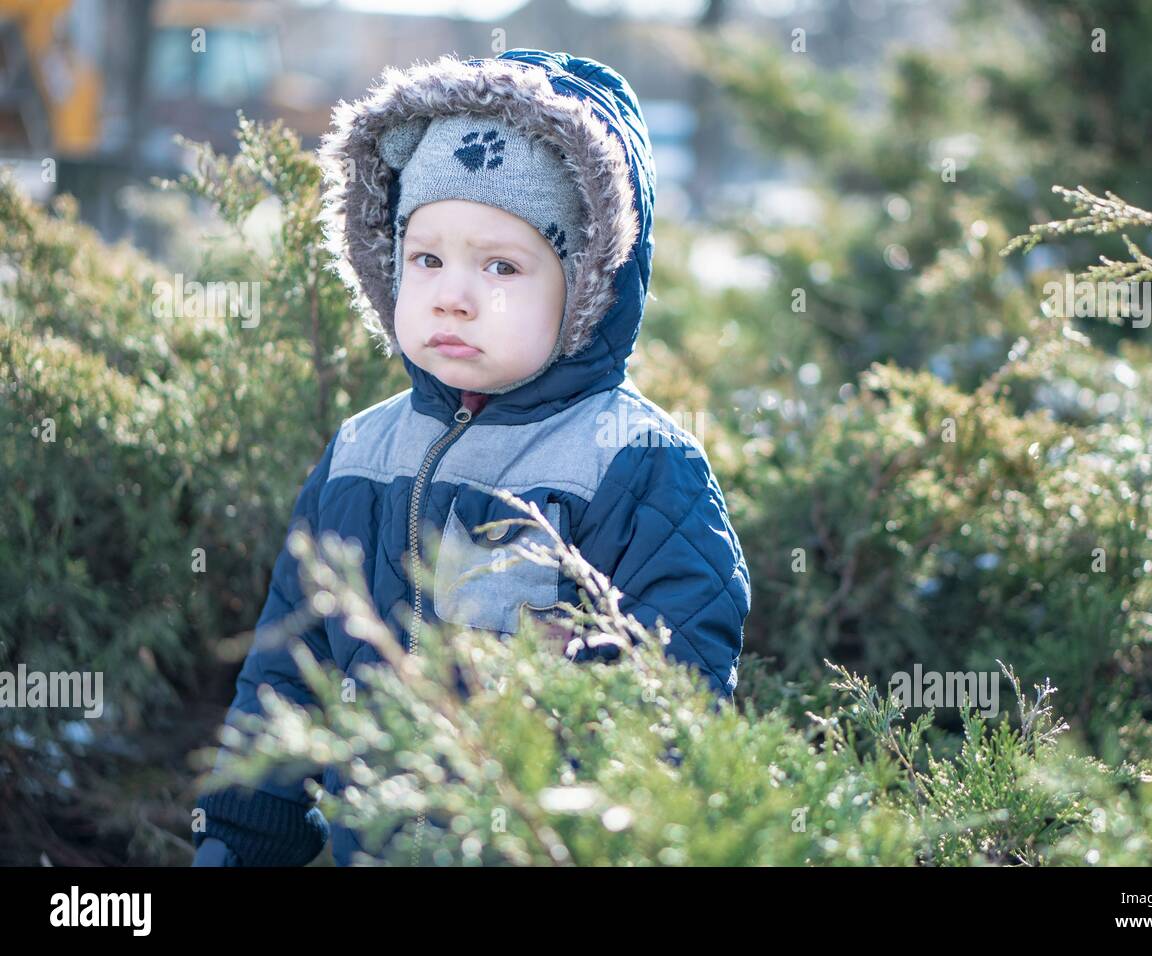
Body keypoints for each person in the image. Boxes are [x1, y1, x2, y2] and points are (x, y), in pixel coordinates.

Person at [192, 49, 750, 867]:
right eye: (427, 259)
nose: (454, 294)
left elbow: (674, 695)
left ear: (590, 282)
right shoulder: (360, 454)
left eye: (501, 265)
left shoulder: (636, 464)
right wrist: (239, 838)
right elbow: (286, 671)